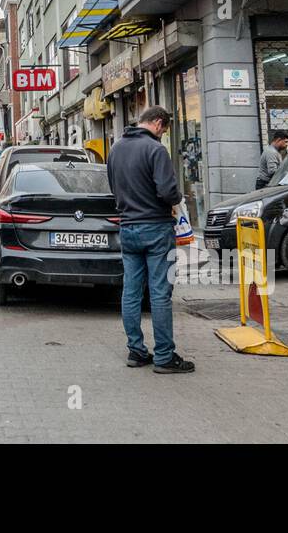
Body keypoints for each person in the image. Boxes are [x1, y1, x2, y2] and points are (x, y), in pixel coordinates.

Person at [107, 106, 194, 374]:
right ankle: (165, 357)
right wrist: (177, 199)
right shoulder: (156, 150)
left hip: (128, 228)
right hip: (156, 229)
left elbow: (113, 187)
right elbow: (167, 191)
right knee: (160, 292)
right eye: (164, 130)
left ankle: (136, 351)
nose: (163, 134)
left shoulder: (115, 149)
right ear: (158, 123)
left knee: (131, 291)